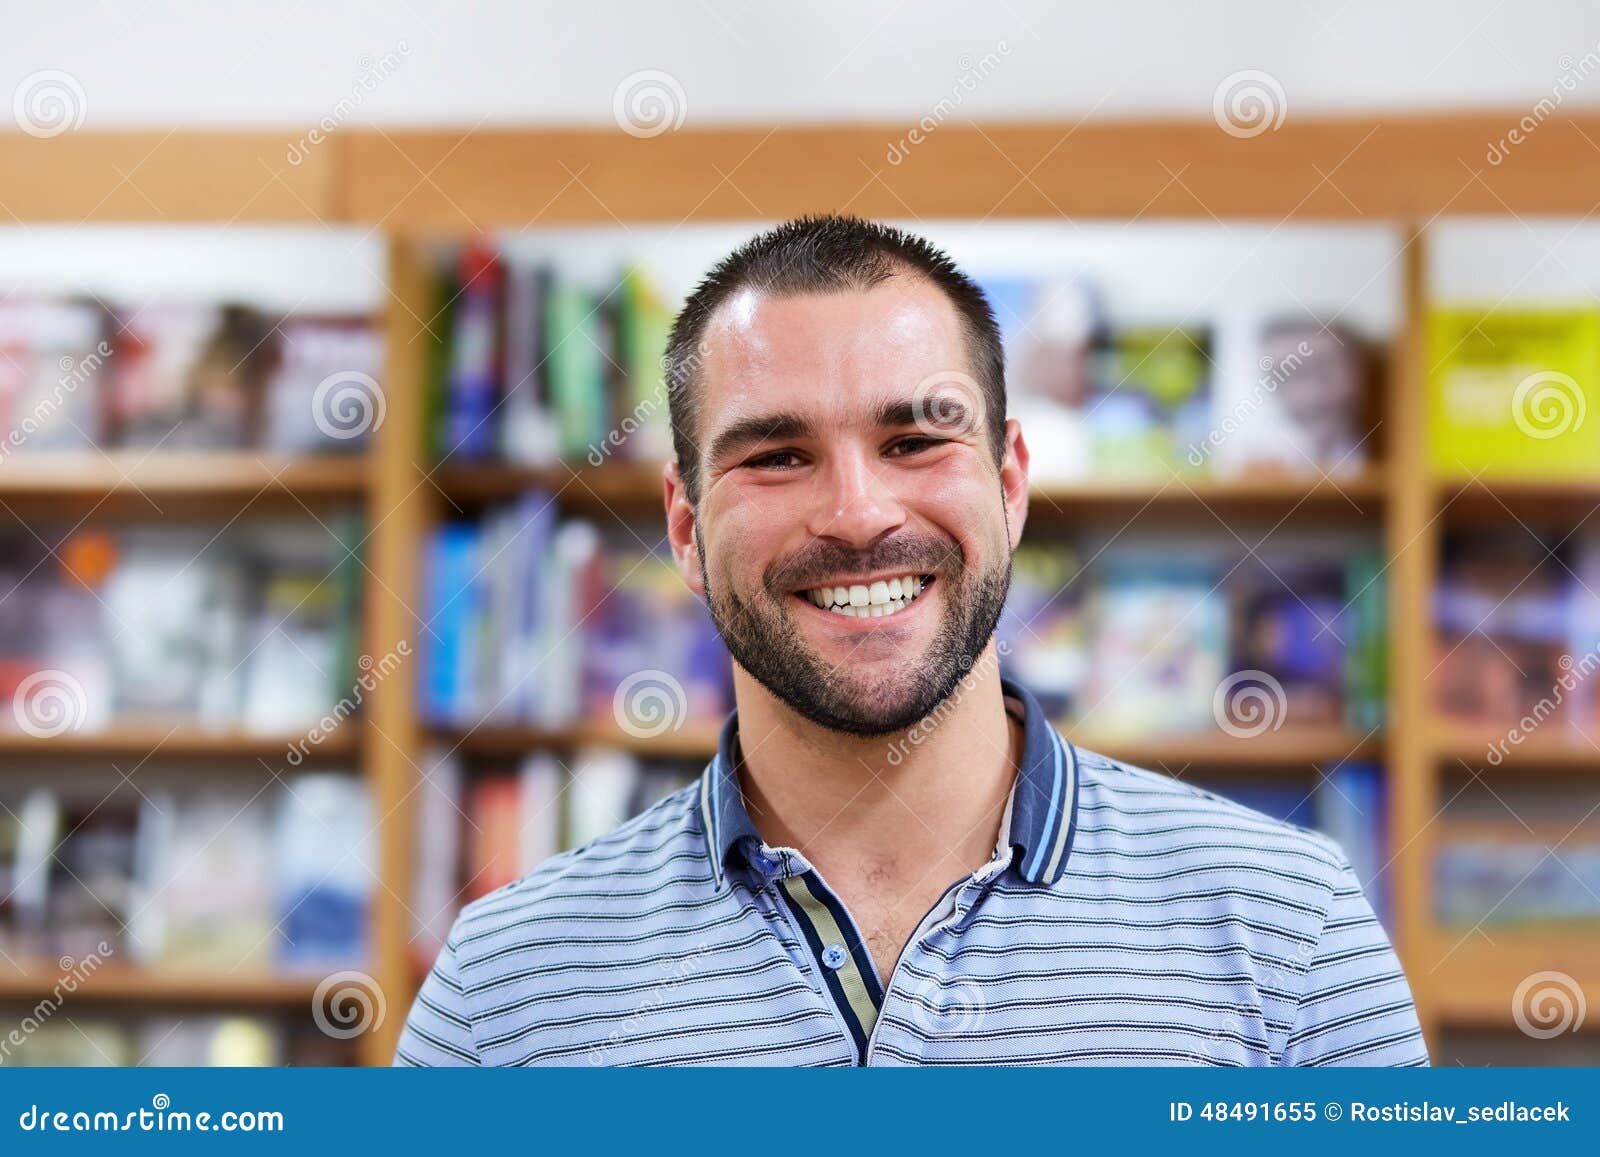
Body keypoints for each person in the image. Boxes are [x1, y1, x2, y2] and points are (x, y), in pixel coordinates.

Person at [395, 215, 1428, 1067]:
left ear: (1009, 481)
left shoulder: (1291, 927)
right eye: (776, 453)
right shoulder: (504, 983)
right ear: (683, 525)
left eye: (914, 440)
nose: (855, 512)